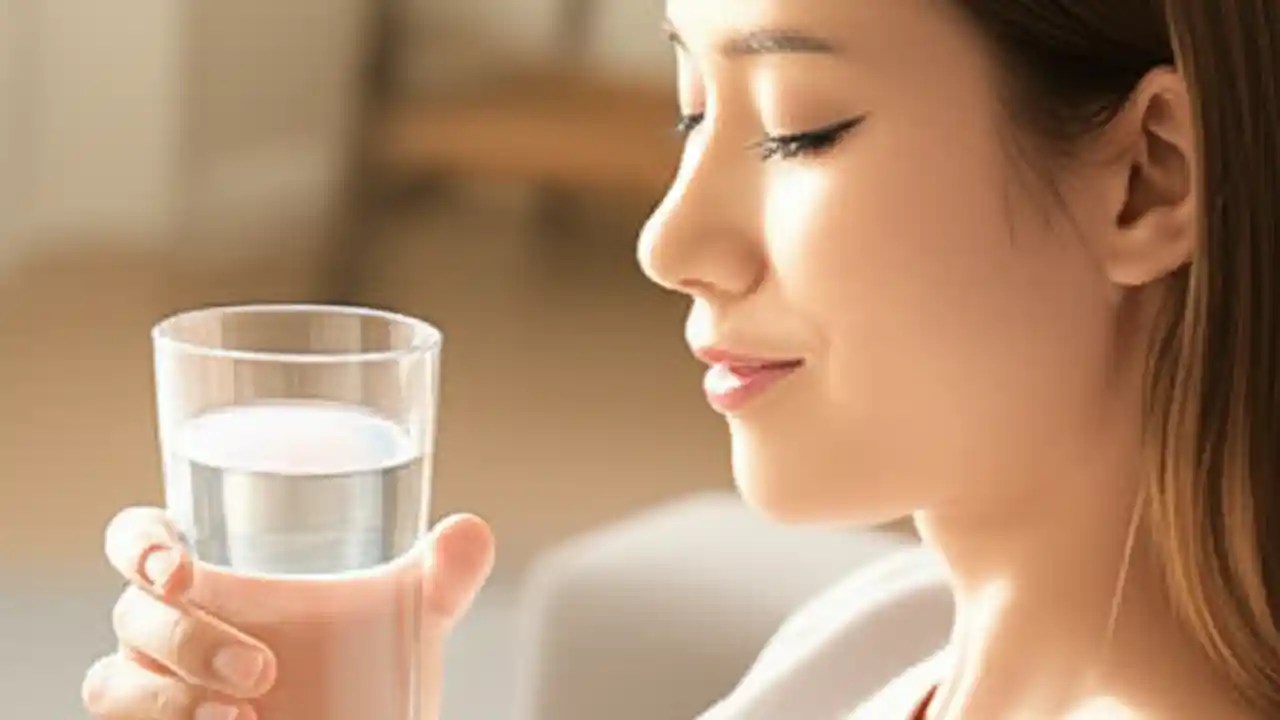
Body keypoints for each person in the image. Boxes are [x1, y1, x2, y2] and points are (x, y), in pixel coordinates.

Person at [81, 1, 1280, 718]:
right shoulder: (879, 636)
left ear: (1146, 178)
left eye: (799, 127)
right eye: (689, 111)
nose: (667, 241)